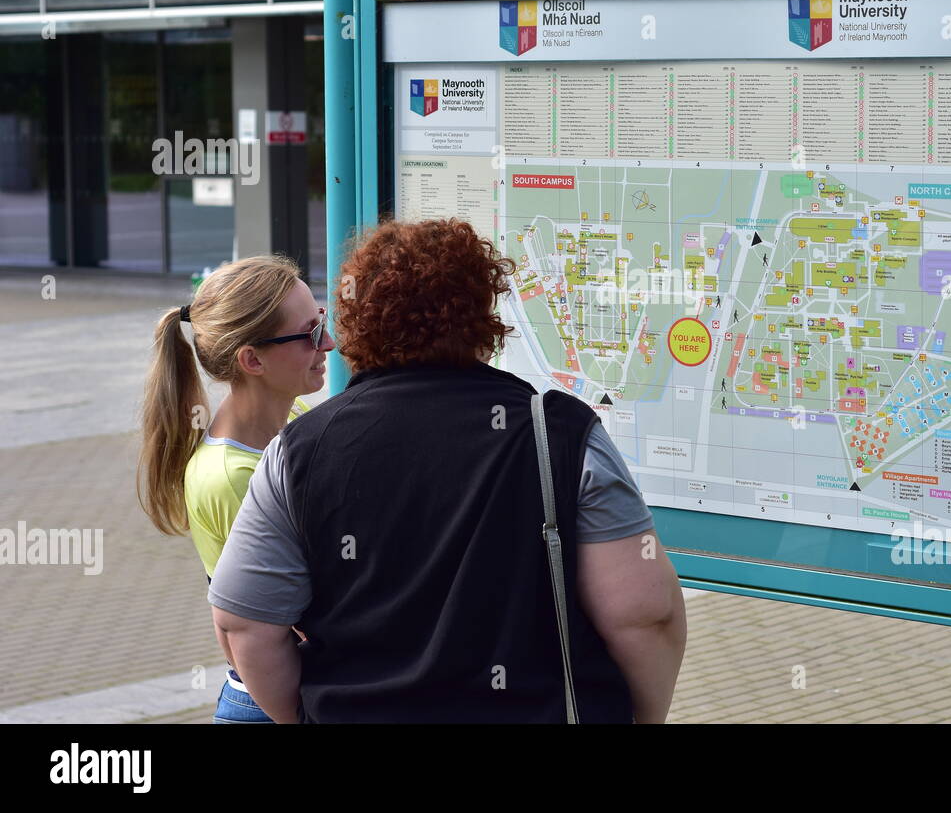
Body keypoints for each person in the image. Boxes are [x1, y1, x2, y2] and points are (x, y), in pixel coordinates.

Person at [208, 218, 688, 723]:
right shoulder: (559, 433)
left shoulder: (297, 451)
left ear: (358, 320)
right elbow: (645, 616)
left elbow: (244, 623)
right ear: (483, 314)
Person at [136, 254, 335, 723]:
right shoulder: (230, 475)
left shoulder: (292, 418)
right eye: (309, 334)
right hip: (274, 701)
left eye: (323, 321)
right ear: (252, 360)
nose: (328, 342)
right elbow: (268, 618)